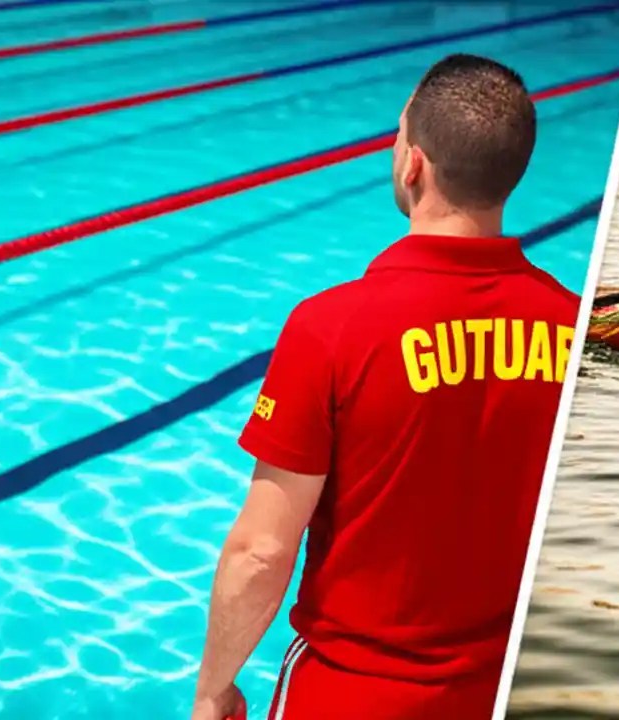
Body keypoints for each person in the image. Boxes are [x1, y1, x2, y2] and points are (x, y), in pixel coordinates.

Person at [190, 53, 580, 720]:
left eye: (399, 135)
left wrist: (213, 690)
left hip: (350, 690)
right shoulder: (570, 323)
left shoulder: (330, 328)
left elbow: (261, 551)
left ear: (413, 165)